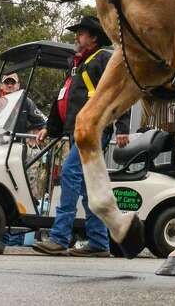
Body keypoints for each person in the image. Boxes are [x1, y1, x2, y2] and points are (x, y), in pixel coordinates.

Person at [32, 16, 130, 257]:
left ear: (94, 37)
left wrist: (123, 127)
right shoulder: (76, 63)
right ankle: (98, 243)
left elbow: (120, 90)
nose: (77, 37)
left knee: (70, 172)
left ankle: (59, 238)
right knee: (89, 187)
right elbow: (63, 96)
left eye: (82, 33)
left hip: (95, 128)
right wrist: (50, 127)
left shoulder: (104, 59)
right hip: (77, 130)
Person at [0, 72, 47, 251]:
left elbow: (42, 121)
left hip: (15, 157)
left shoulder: (26, 101)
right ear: (1, 85)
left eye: (13, 82)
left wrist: (39, 132)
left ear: (18, 85)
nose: (9, 85)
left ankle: (14, 243)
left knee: (15, 195)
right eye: (6, 82)